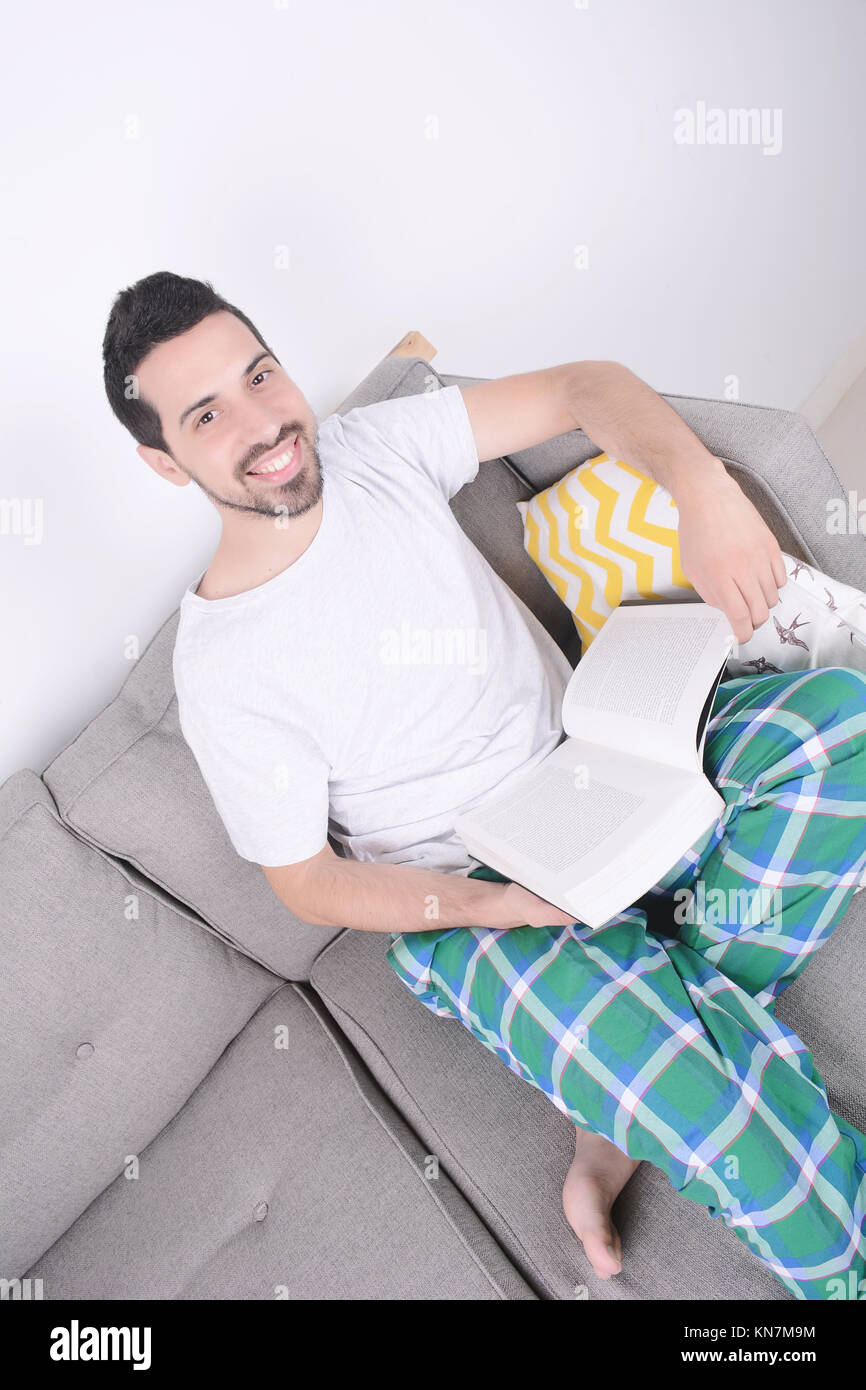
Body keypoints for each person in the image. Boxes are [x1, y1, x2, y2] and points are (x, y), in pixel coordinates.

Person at [103, 270, 866, 1300]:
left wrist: (699, 489)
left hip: (602, 766)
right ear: (163, 460)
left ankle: (616, 1118)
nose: (264, 421)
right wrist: (493, 903)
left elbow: (586, 385)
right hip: (467, 892)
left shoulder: (370, 444)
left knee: (841, 725)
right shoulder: (223, 668)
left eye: (258, 373)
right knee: (727, 1127)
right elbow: (307, 883)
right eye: (206, 413)